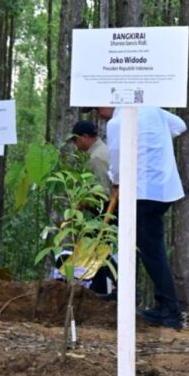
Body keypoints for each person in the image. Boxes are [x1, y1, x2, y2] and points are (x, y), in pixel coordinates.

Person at [97, 106, 186, 330]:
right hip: (164, 189)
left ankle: (169, 310)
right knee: (132, 242)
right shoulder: (152, 110)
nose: (98, 114)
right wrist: (153, 138)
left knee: (151, 250)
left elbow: (116, 160)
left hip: (142, 191)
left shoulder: (116, 123)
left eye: (97, 108)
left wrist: (116, 179)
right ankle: (124, 293)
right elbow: (179, 126)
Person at [67, 119, 114, 297]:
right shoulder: (103, 150)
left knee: (98, 249)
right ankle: (99, 287)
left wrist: (80, 203)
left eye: (76, 140)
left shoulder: (97, 157)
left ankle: (105, 288)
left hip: (106, 211)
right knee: (97, 249)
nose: (76, 145)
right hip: (106, 210)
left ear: (85, 137)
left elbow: (102, 192)